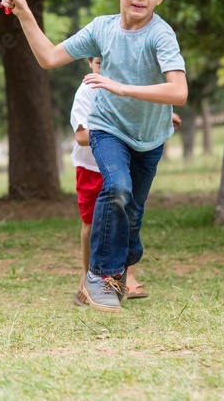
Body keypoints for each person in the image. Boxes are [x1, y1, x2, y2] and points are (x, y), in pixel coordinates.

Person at [7, 0, 187, 312]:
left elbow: (179, 91)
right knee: (117, 188)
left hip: (150, 138)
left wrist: (122, 88)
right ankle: (98, 277)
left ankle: (120, 265)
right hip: (107, 128)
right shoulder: (101, 29)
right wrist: (24, 11)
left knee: (132, 212)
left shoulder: (160, 35)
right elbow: (49, 57)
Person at [70, 57, 182, 306]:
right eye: (98, 63)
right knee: (91, 223)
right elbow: (81, 136)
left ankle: (127, 276)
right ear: (89, 63)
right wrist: (114, 134)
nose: (103, 68)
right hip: (91, 167)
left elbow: (138, 113)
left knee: (128, 215)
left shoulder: (122, 85)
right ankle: (88, 275)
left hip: (123, 163)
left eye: (108, 62)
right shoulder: (86, 91)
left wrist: (162, 117)